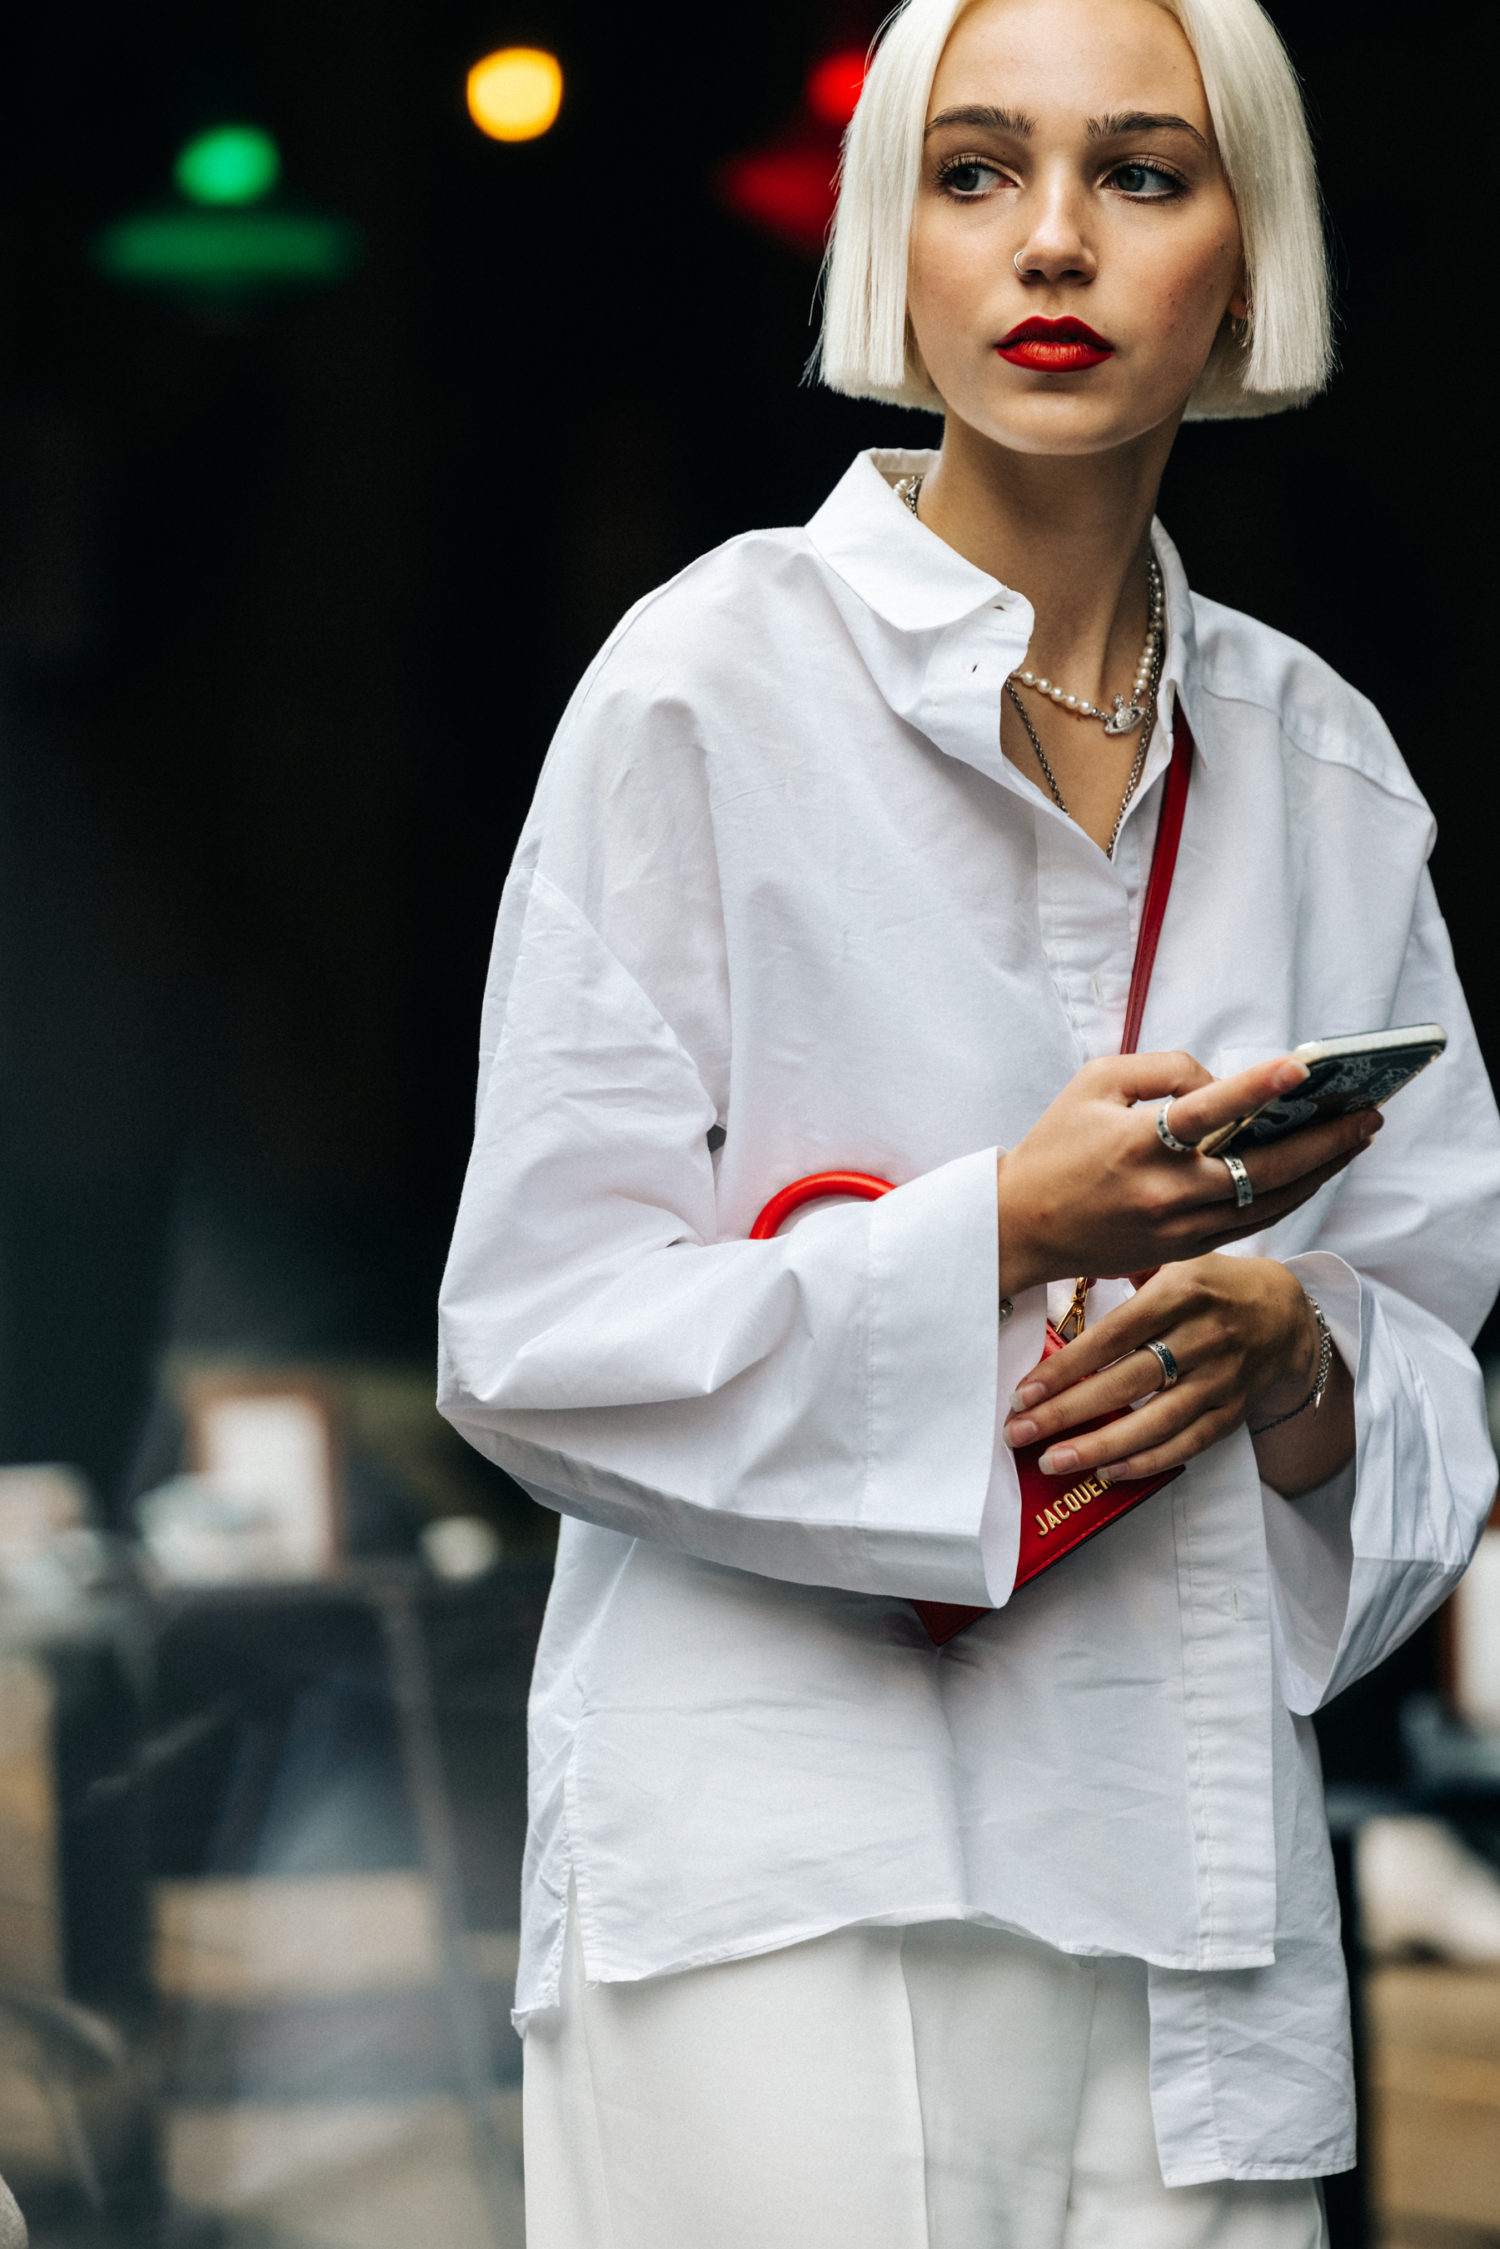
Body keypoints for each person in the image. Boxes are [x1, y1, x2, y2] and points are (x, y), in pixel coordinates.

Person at [438, 0, 1500, 2239]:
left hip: (1186, 1870)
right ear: (888, 239)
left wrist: (1294, 1349)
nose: (1054, 243)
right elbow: (527, 1337)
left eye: (1143, 173)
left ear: (1245, 250)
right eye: (977, 169)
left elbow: (1429, 1363)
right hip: (782, 1876)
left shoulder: (1320, 767)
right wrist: (1003, 1225)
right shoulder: (706, 684)